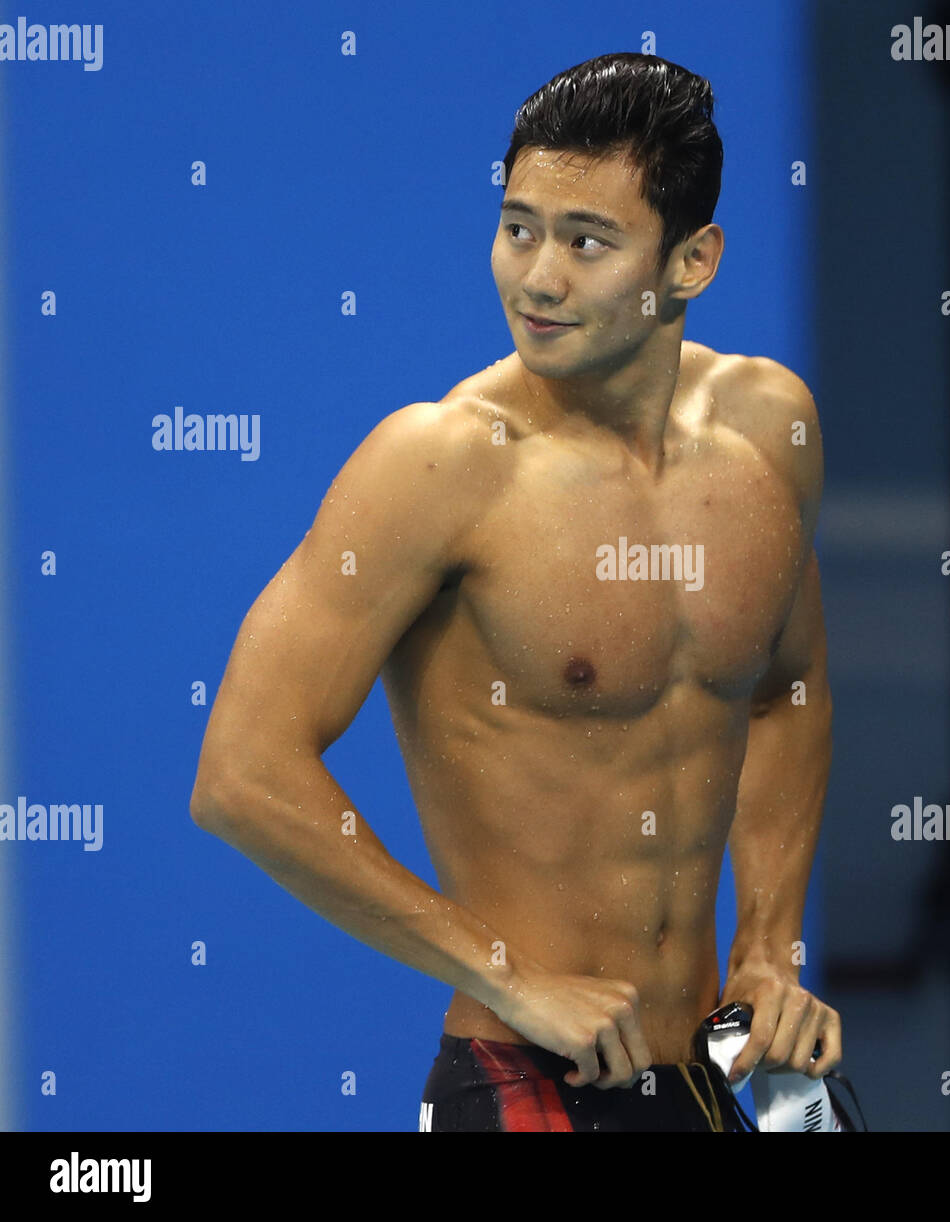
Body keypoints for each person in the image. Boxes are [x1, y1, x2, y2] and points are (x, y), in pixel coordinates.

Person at [189, 51, 839, 1132]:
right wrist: (506, 975)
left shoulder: (771, 430)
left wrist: (767, 950)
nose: (535, 277)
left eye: (586, 241)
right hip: (524, 1083)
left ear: (692, 261)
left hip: (718, 1080)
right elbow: (241, 774)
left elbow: (786, 689)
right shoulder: (439, 465)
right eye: (518, 225)